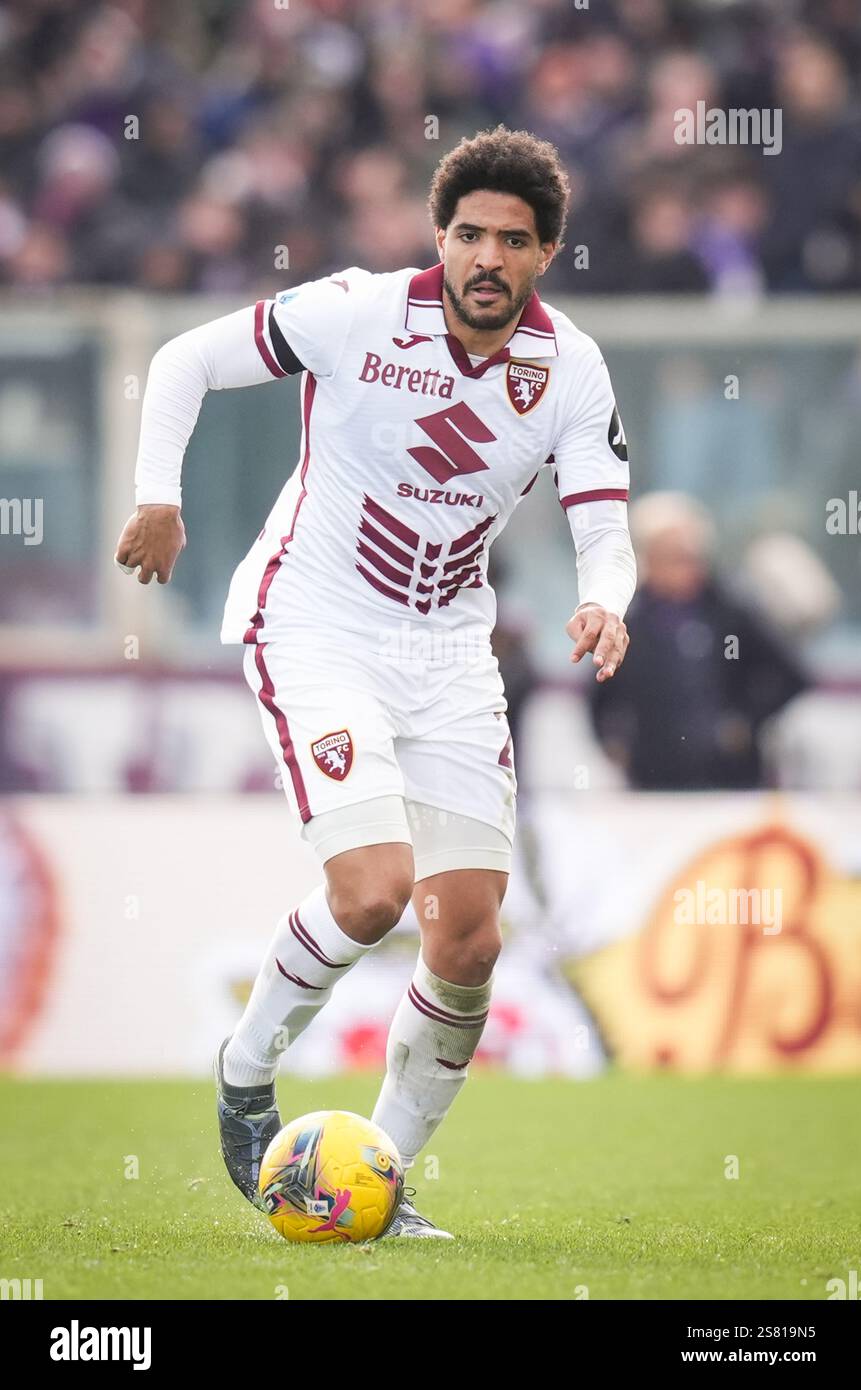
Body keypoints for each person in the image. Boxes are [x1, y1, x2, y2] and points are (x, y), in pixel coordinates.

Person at [115, 126, 636, 1238]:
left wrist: (608, 597)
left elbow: (604, 521)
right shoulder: (357, 311)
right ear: (438, 239)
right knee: (371, 893)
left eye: (512, 239)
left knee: (469, 941)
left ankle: (378, 1181)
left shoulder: (571, 369)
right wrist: (159, 490)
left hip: (449, 653)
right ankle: (245, 1073)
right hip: (314, 620)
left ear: (545, 252)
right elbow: (183, 360)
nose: (486, 257)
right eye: (467, 235)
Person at [589, 493, 808, 790]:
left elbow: (791, 674)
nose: (688, 568)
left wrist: (744, 722)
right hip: (655, 780)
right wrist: (614, 742)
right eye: (675, 558)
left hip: (731, 778)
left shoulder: (732, 611)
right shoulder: (631, 620)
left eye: (693, 557)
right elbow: (600, 689)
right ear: (649, 559)